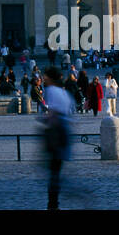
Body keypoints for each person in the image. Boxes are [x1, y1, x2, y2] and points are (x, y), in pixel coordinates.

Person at [41, 66, 73, 210]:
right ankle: (53, 203)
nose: (43, 78)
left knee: (54, 172)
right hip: (64, 132)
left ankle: (52, 204)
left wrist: (45, 122)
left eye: (45, 76)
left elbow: (53, 113)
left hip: (56, 132)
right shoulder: (63, 92)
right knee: (56, 170)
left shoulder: (50, 91)